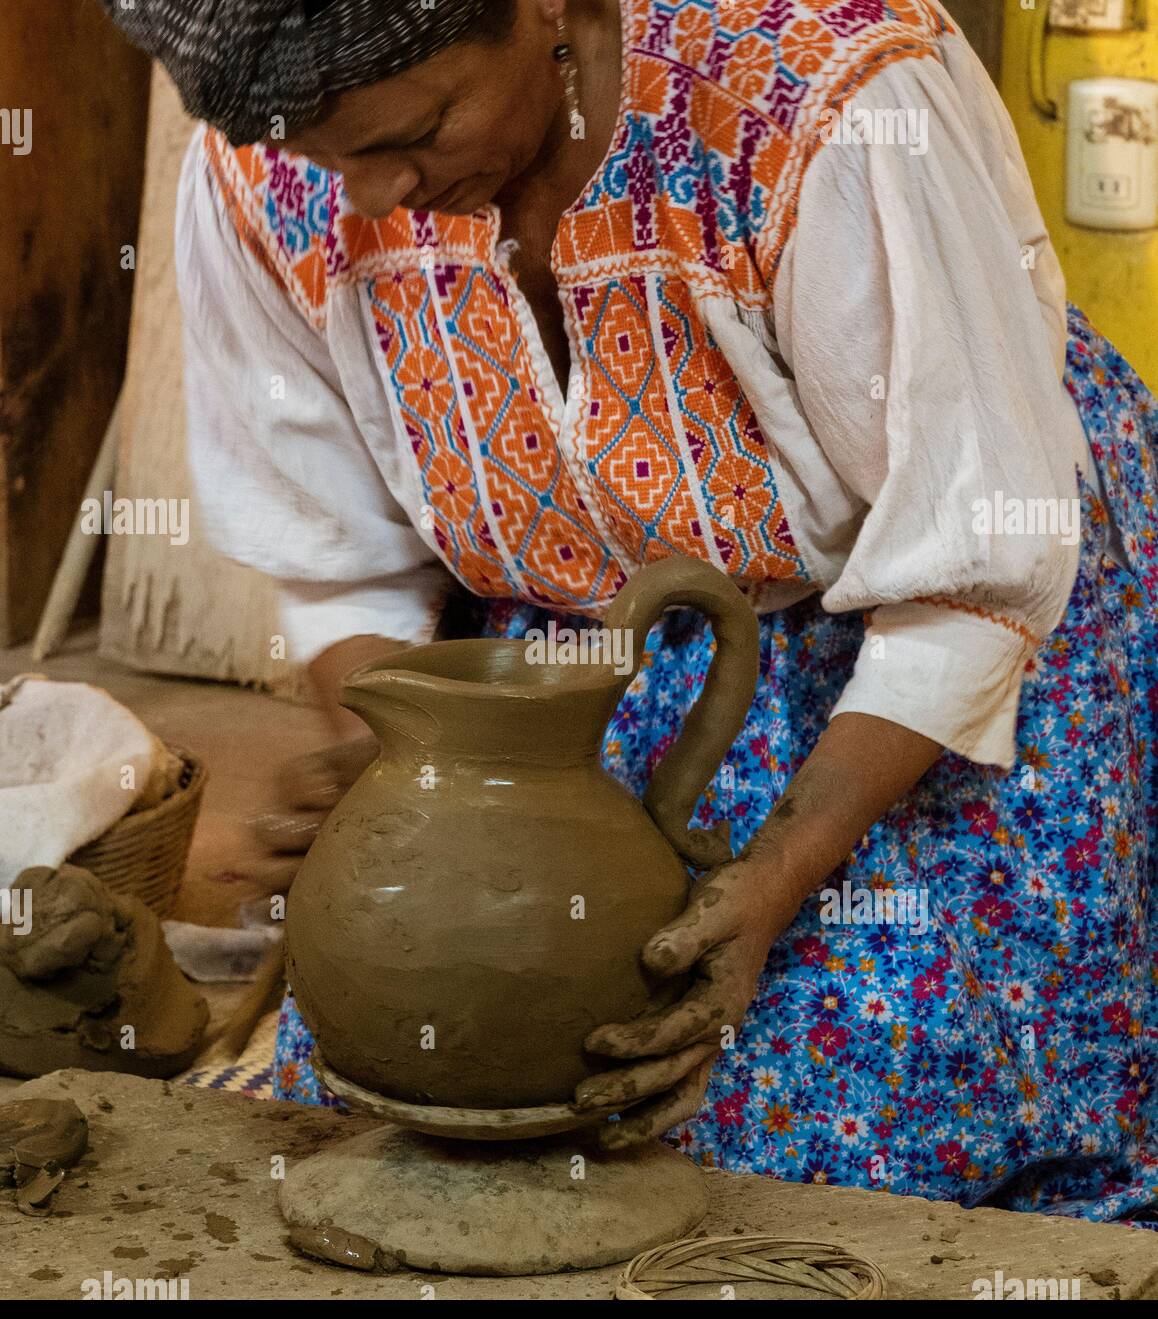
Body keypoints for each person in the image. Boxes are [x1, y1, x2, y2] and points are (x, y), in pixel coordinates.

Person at [103, 0, 1157, 1220]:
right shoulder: (270, 175)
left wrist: (768, 885)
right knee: (411, 1086)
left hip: (952, 628)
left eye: (423, 128)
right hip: (597, 661)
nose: (380, 194)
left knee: (817, 1154)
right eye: (330, 158)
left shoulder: (820, 101)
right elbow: (333, 548)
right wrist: (400, 760)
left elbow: (969, 568)